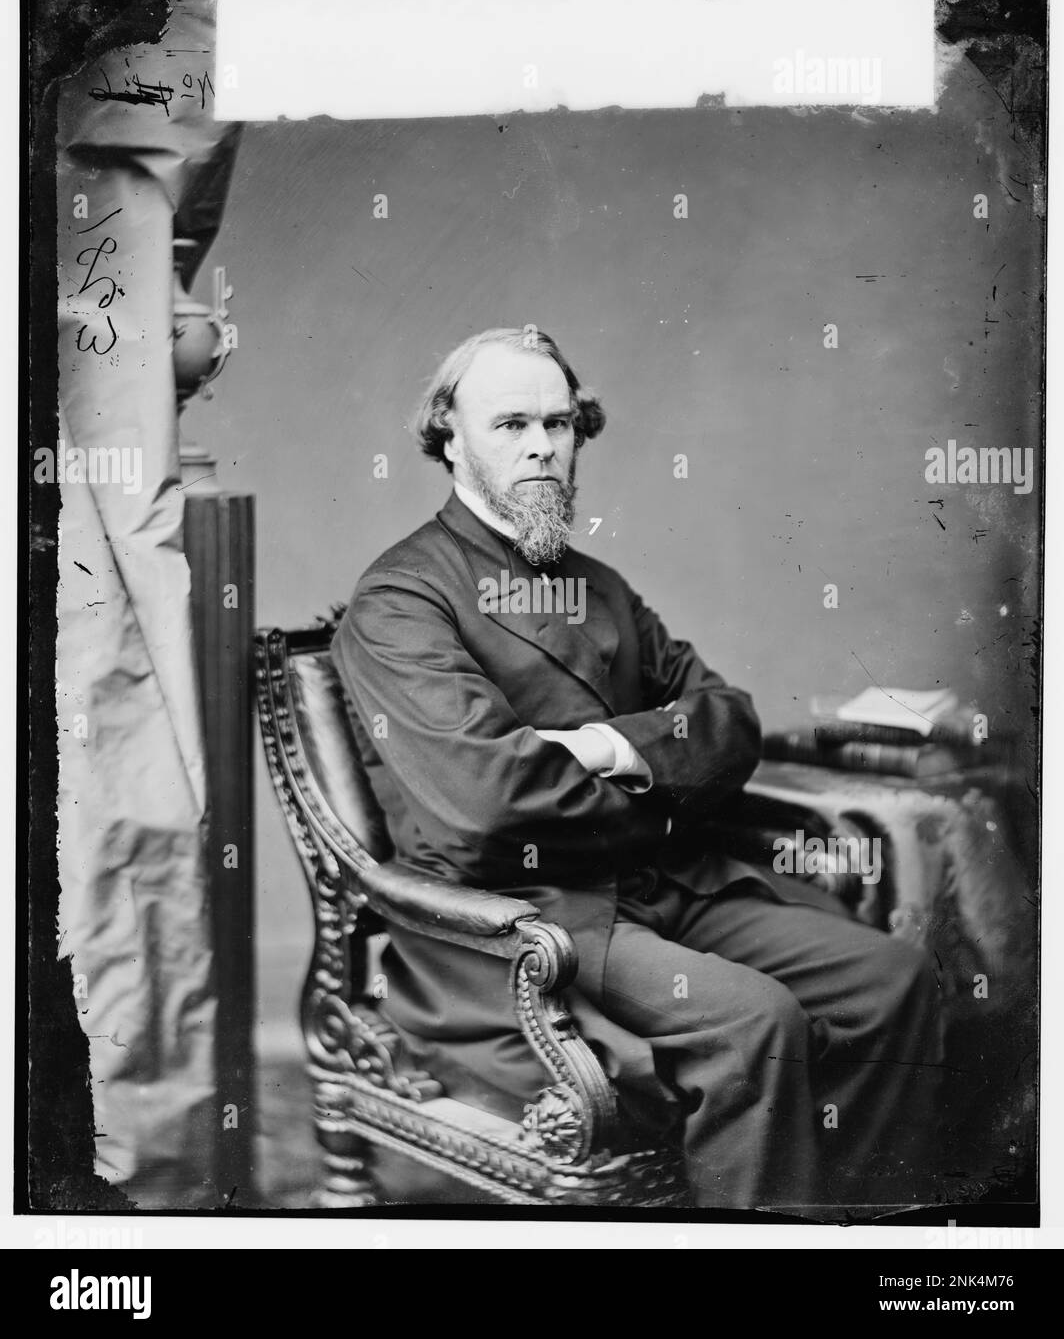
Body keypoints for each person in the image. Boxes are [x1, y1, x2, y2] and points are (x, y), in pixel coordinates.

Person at [331, 326, 943, 1210]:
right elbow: (490, 802)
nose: (542, 445)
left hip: (665, 885)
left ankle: (840, 1223)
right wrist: (665, 782)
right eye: (510, 424)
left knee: (895, 982)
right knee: (754, 1026)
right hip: (529, 917)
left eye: (560, 423)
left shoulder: (601, 585)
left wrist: (614, 746)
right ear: (448, 436)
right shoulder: (403, 598)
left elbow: (729, 721)